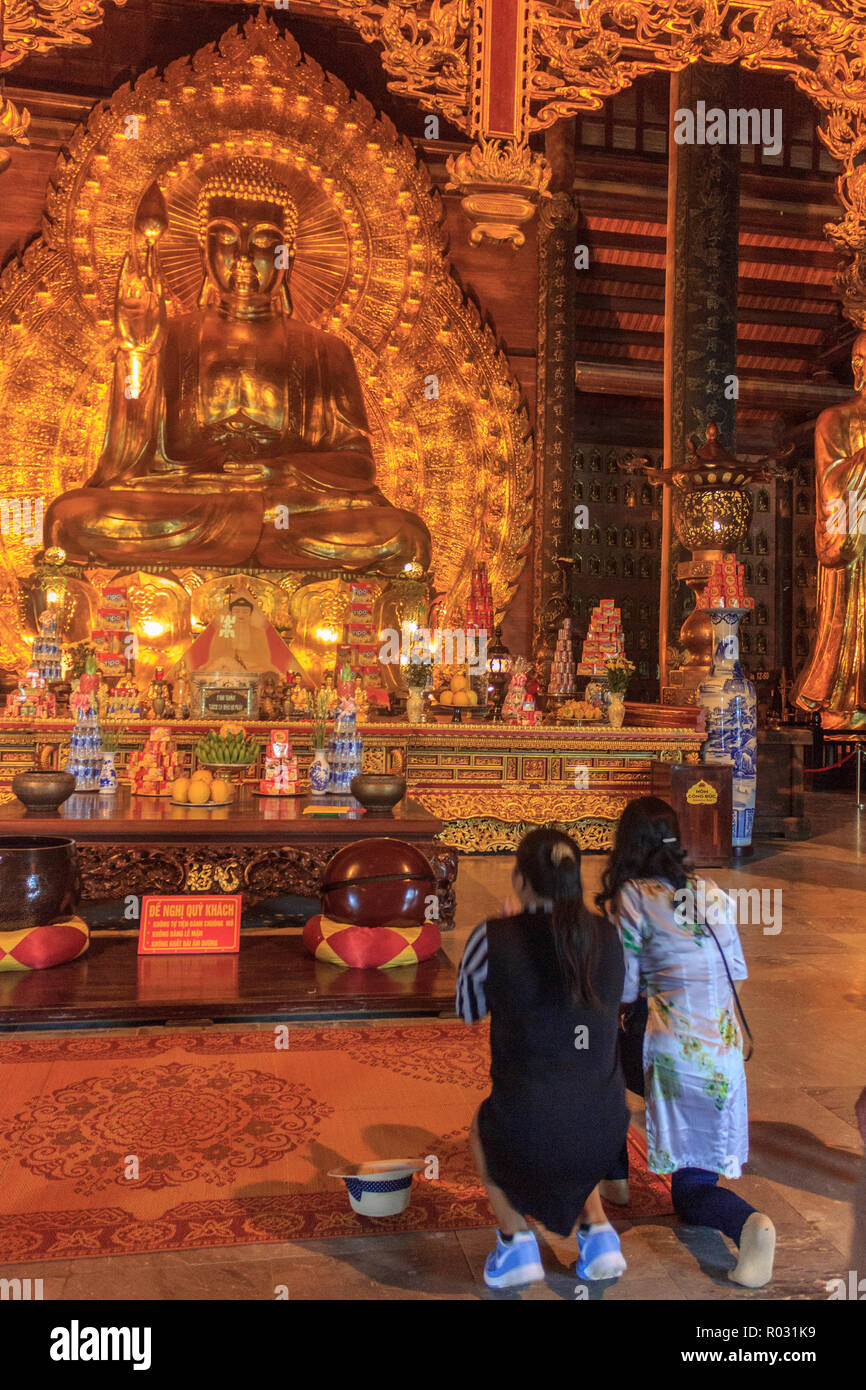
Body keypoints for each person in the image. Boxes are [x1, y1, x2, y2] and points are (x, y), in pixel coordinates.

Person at [597, 796, 776, 1289]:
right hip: (723, 1055)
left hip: (671, 1053)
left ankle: (614, 1177)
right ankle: (746, 1224)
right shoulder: (711, 891)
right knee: (695, 1186)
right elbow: (737, 971)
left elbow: (626, 989)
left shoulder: (633, 896)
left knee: (597, 1055)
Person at [456, 827, 630, 1289]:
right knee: (574, 1108)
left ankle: (516, 1243)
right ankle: (598, 1236)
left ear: (518, 880)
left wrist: (504, 936)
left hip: (526, 1123)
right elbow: (622, 996)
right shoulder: (609, 935)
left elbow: (467, 1012)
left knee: (483, 1128)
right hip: (608, 1127)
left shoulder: (493, 936)